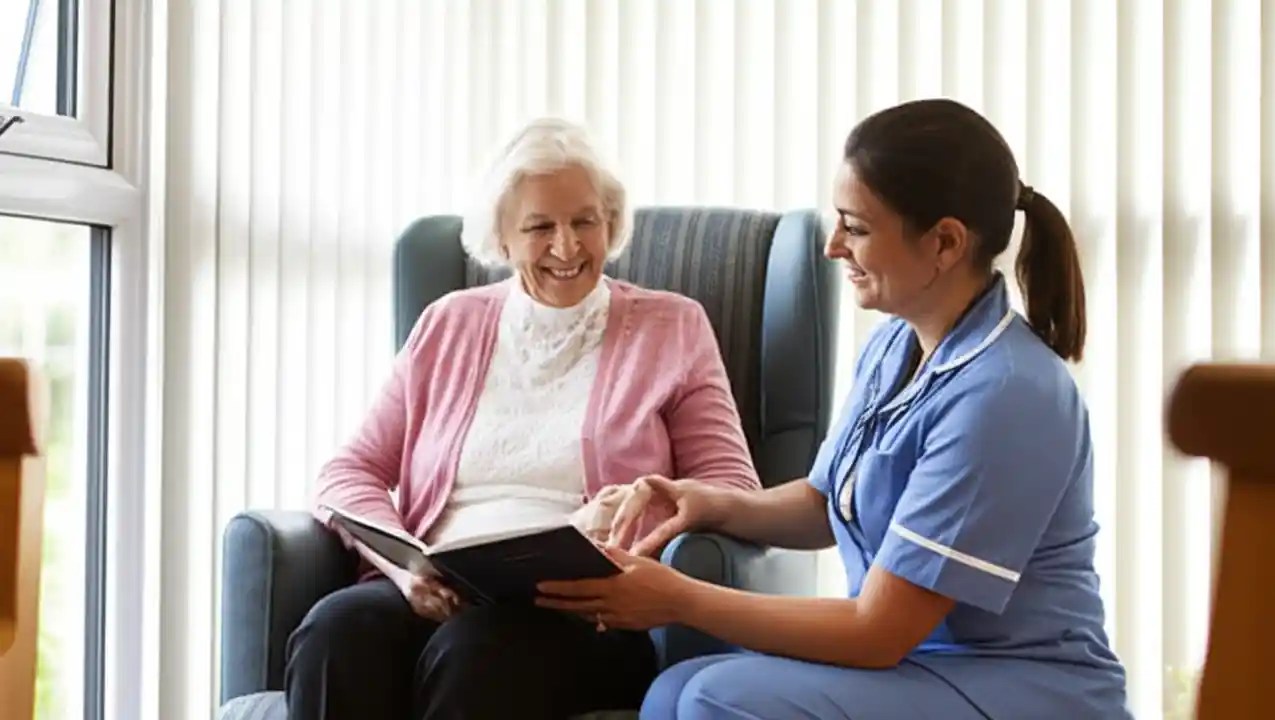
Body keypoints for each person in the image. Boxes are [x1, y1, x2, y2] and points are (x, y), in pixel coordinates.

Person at [536, 99, 1131, 719]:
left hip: (1020, 687)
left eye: (858, 227)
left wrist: (680, 598)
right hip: (924, 667)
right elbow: (828, 503)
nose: (832, 246)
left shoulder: (1005, 394)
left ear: (945, 243)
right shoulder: (896, 346)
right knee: (675, 690)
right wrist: (709, 502)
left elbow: (878, 631)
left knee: (716, 700)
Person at [287, 118, 761, 720]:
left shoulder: (673, 327)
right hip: (441, 587)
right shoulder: (447, 324)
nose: (568, 247)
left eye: (585, 221)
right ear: (502, 241)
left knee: (476, 653)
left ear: (611, 224)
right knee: (337, 631)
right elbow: (348, 471)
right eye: (540, 227)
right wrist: (405, 566)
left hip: (584, 610)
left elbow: (731, 491)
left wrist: (632, 511)